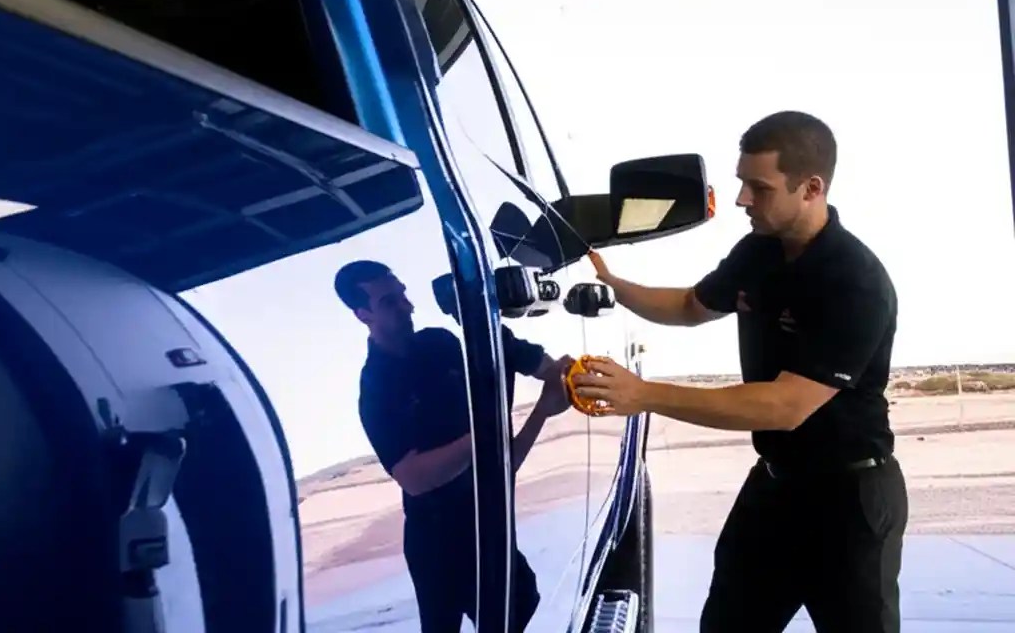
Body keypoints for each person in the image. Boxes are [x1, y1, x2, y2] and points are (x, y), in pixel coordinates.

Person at [571, 111, 908, 633]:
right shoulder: (759, 252)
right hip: (774, 489)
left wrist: (645, 394)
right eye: (742, 183)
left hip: (850, 501)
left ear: (811, 188)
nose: (741, 200)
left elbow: (783, 407)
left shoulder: (855, 281)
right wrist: (613, 285)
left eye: (759, 187)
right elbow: (690, 305)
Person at [333, 260, 571, 633]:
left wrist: (545, 399)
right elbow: (414, 478)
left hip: (487, 519)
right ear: (362, 315)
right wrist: (483, 435)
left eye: (403, 295)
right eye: (389, 302)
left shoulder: (441, 345)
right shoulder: (375, 390)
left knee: (521, 601)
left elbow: (498, 462)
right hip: (437, 543)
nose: (407, 306)